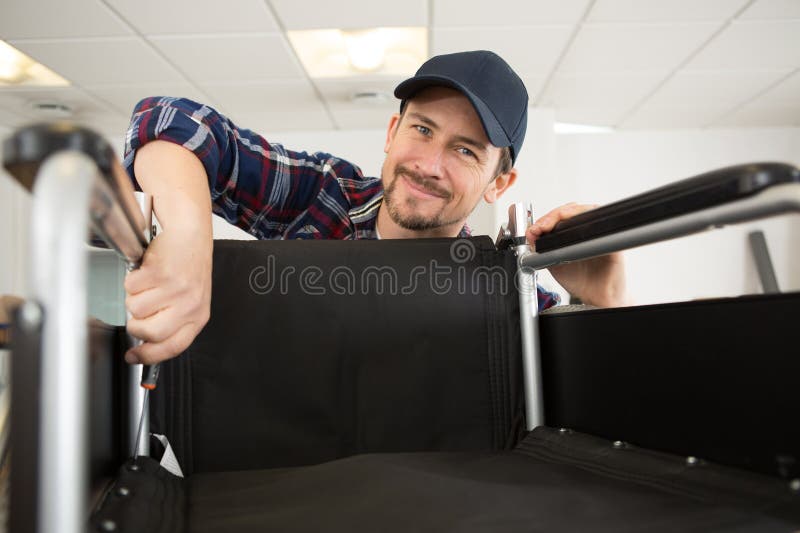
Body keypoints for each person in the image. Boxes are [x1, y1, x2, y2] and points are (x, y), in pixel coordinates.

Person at [122, 50, 627, 365]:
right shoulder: (318, 195)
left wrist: (607, 301)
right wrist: (188, 236)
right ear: (392, 133)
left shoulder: (504, 289)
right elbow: (171, 119)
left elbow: (597, 407)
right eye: (423, 129)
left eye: (466, 150)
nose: (430, 164)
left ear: (500, 183)